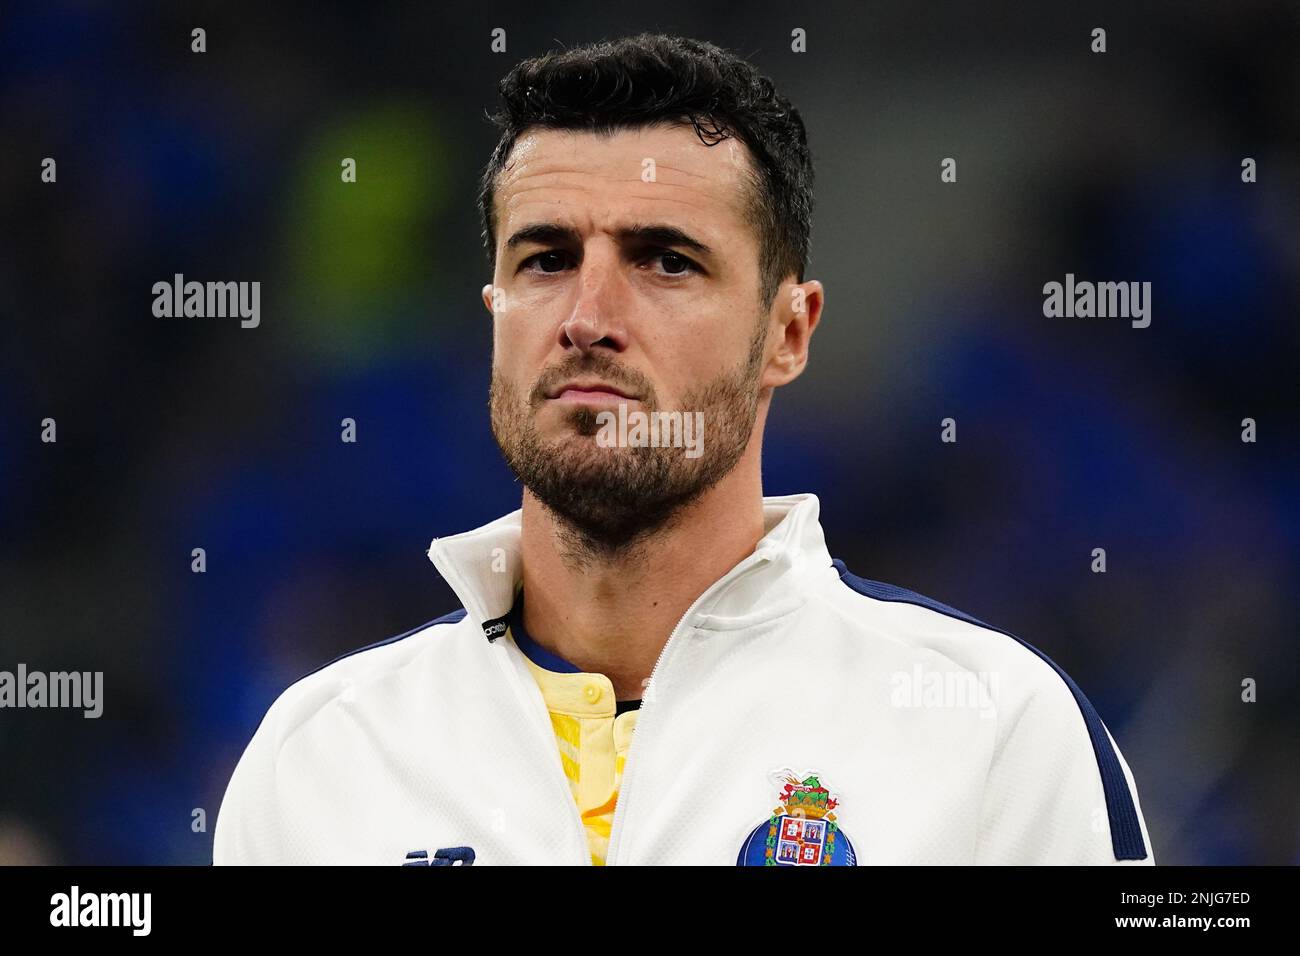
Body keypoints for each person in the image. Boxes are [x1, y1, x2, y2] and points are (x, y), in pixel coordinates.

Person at [213, 33, 1154, 866]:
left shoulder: (995, 730)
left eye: (666, 260)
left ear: (788, 332)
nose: (587, 319)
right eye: (544, 260)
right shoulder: (318, 762)